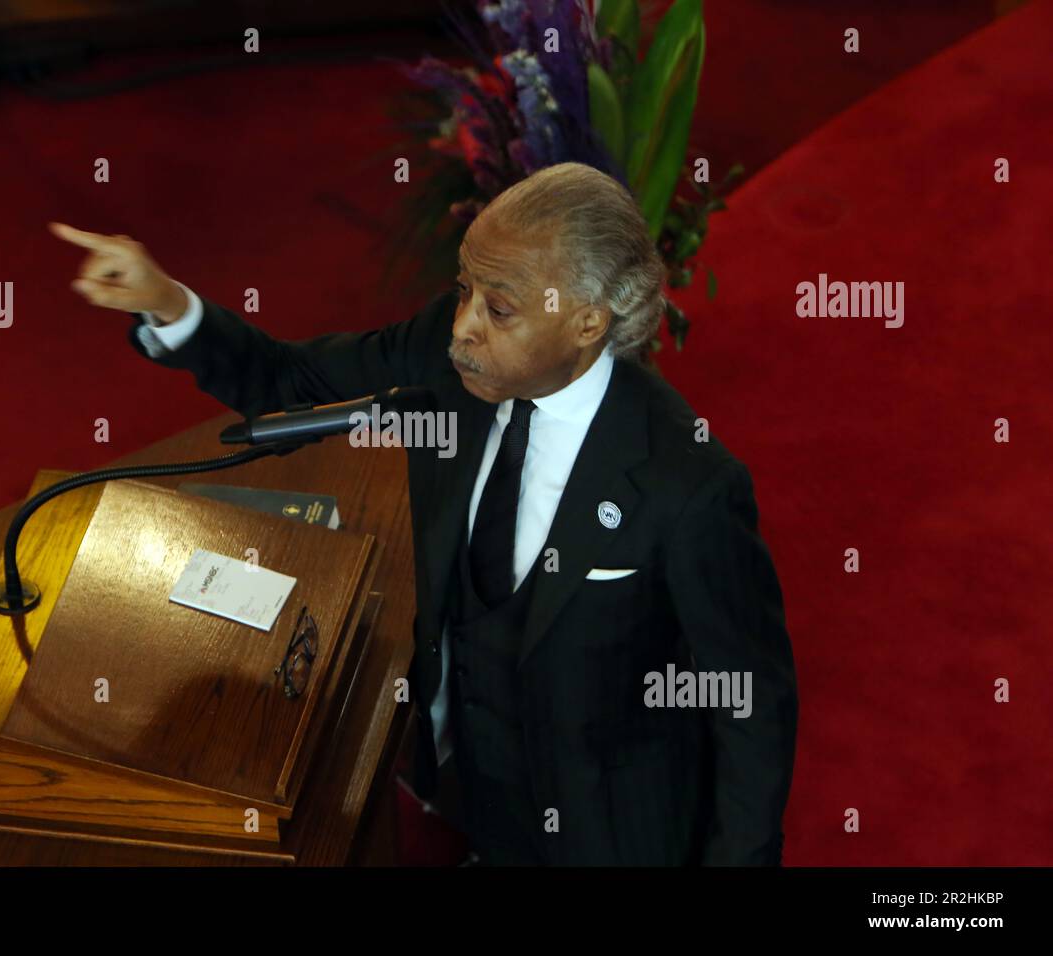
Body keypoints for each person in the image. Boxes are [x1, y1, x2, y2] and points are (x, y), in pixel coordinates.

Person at [50, 161, 799, 866]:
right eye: (464, 289)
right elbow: (291, 378)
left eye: (497, 308)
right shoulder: (449, 359)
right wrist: (167, 305)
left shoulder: (687, 483)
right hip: (463, 786)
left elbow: (750, 707)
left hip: (610, 832)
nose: (463, 326)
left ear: (587, 323)